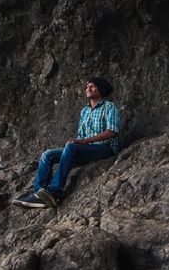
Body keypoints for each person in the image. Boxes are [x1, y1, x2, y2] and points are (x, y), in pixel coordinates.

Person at [14, 77, 121, 209]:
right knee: (47, 155)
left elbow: (112, 131)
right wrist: (79, 143)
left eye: (92, 86)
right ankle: (39, 195)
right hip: (86, 150)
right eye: (87, 86)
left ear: (101, 88)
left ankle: (54, 192)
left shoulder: (109, 107)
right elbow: (81, 136)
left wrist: (83, 142)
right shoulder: (85, 111)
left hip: (105, 148)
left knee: (70, 146)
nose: (88, 88)